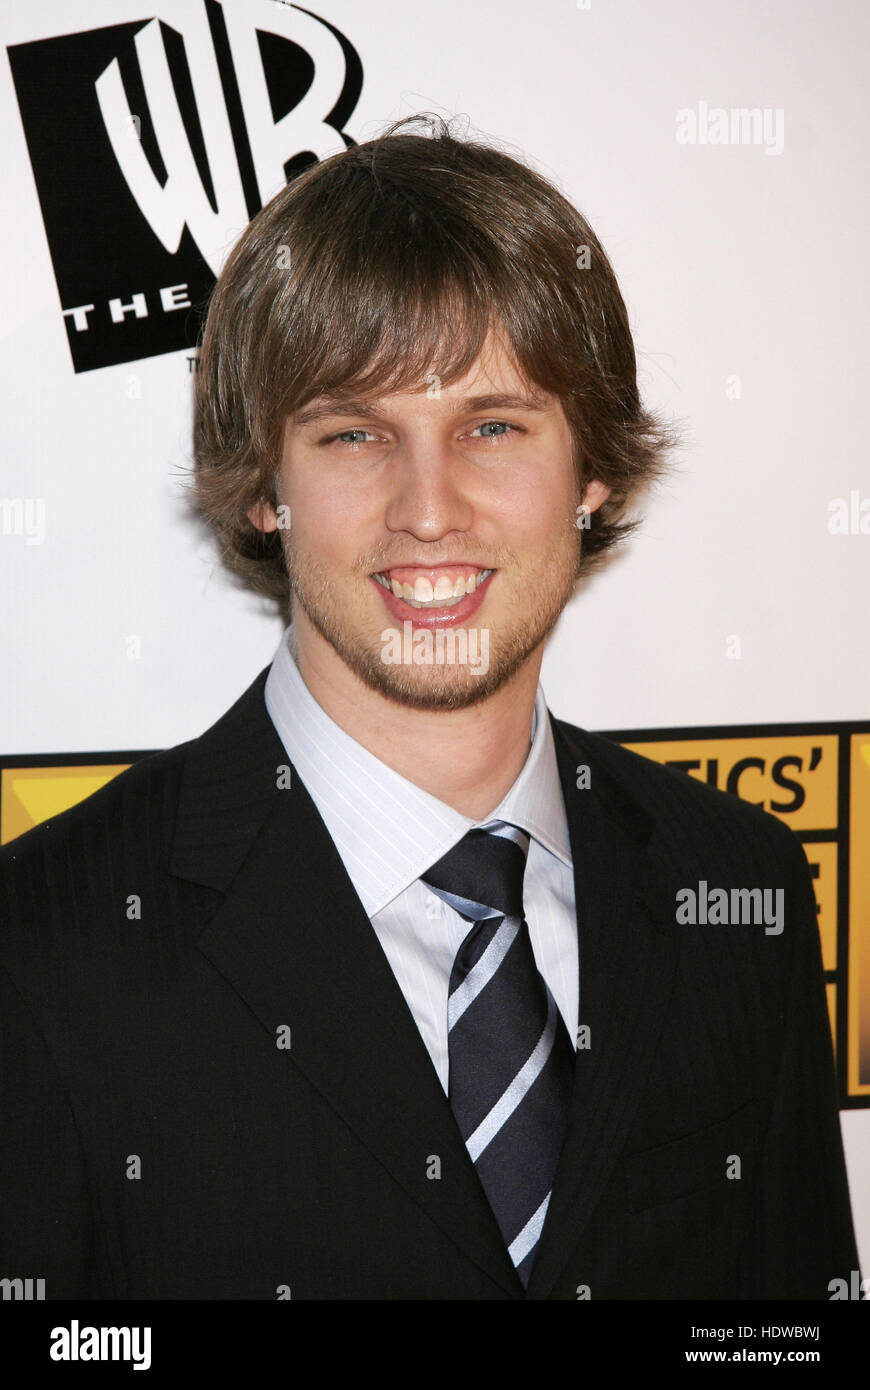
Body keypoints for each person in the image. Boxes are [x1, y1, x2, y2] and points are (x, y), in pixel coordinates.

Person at [0, 115, 857, 1300]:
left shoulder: (738, 886)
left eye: (492, 426)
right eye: (354, 433)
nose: (430, 506)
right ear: (264, 490)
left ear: (593, 470)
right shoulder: (44, 946)